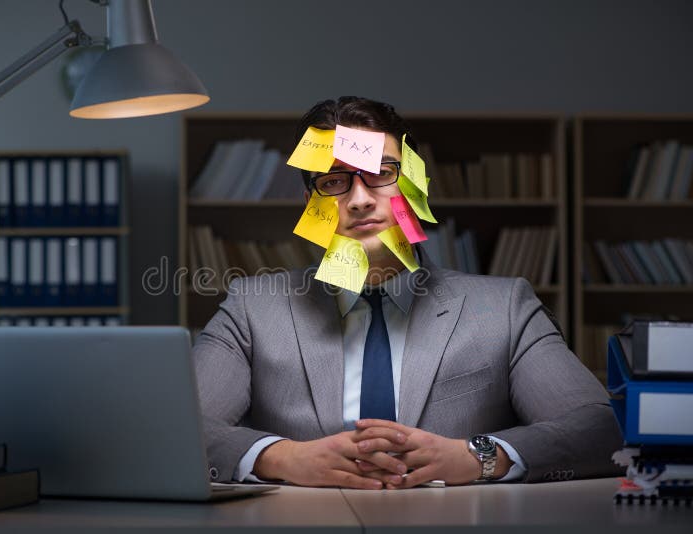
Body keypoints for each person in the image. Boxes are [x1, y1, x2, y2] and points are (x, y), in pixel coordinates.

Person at [192, 96, 623, 490]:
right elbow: (177, 426)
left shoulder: (504, 308)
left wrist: (479, 456)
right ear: (311, 202)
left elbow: (602, 427)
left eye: (381, 174)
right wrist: (282, 457)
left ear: (414, 184)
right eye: (333, 183)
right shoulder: (252, 308)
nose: (359, 200)